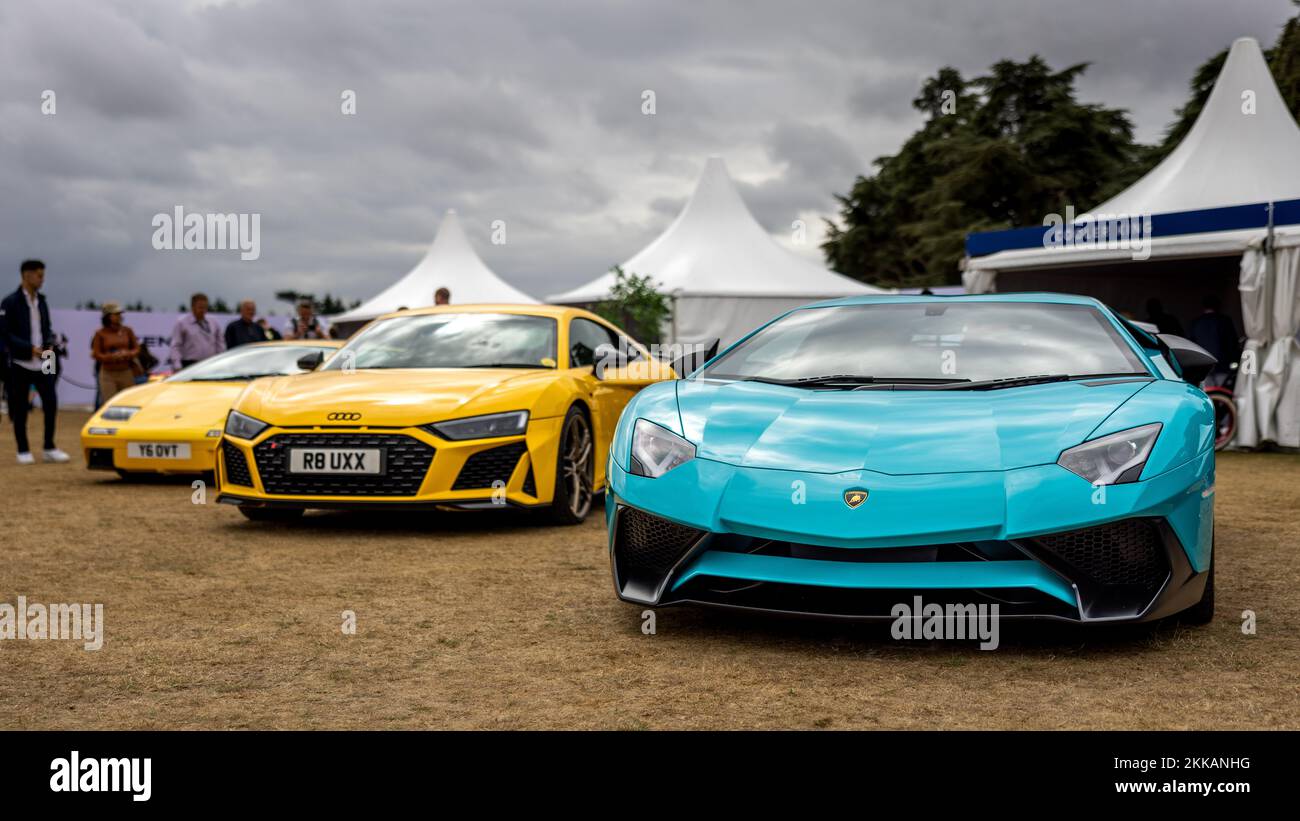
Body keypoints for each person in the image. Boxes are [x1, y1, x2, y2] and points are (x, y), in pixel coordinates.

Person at [1, 260, 70, 464]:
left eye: (43, 275)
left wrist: (48, 346)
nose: (42, 279)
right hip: (21, 362)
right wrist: (29, 349)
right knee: (20, 406)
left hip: (45, 360)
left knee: (51, 403)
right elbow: (5, 333)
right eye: (39, 275)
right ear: (26, 275)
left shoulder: (42, 301)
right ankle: (23, 449)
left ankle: (49, 446)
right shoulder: (10, 302)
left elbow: (46, 328)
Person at [91, 302, 142, 403]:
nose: (119, 316)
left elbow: (137, 348)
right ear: (108, 316)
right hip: (108, 374)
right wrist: (110, 357)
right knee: (110, 403)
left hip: (126, 372)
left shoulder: (128, 331)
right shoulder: (100, 333)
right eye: (116, 314)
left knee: (129, 402)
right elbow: (95, 353)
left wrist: (128, 354)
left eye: (120, 314)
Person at [1188, 294, 1241, 387]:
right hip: (1222, 364)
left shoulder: (1196, 323)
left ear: (1203, 306)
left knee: (1206, 395)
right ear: (1218, 306)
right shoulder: (1225, 321)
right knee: (1223, 393)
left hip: (1203, 366)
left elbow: (1190, 345)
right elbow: (1232, 343)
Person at [168, 292, 225, 370]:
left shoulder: (213, 322)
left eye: (205, 307)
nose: (203, 310)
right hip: (189, 365)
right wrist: (177, 365)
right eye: (200, 307)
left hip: (210, 364)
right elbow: (176, 345)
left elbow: (220, 344)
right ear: (192, 307)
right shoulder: (182, 323)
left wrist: (222, 362)